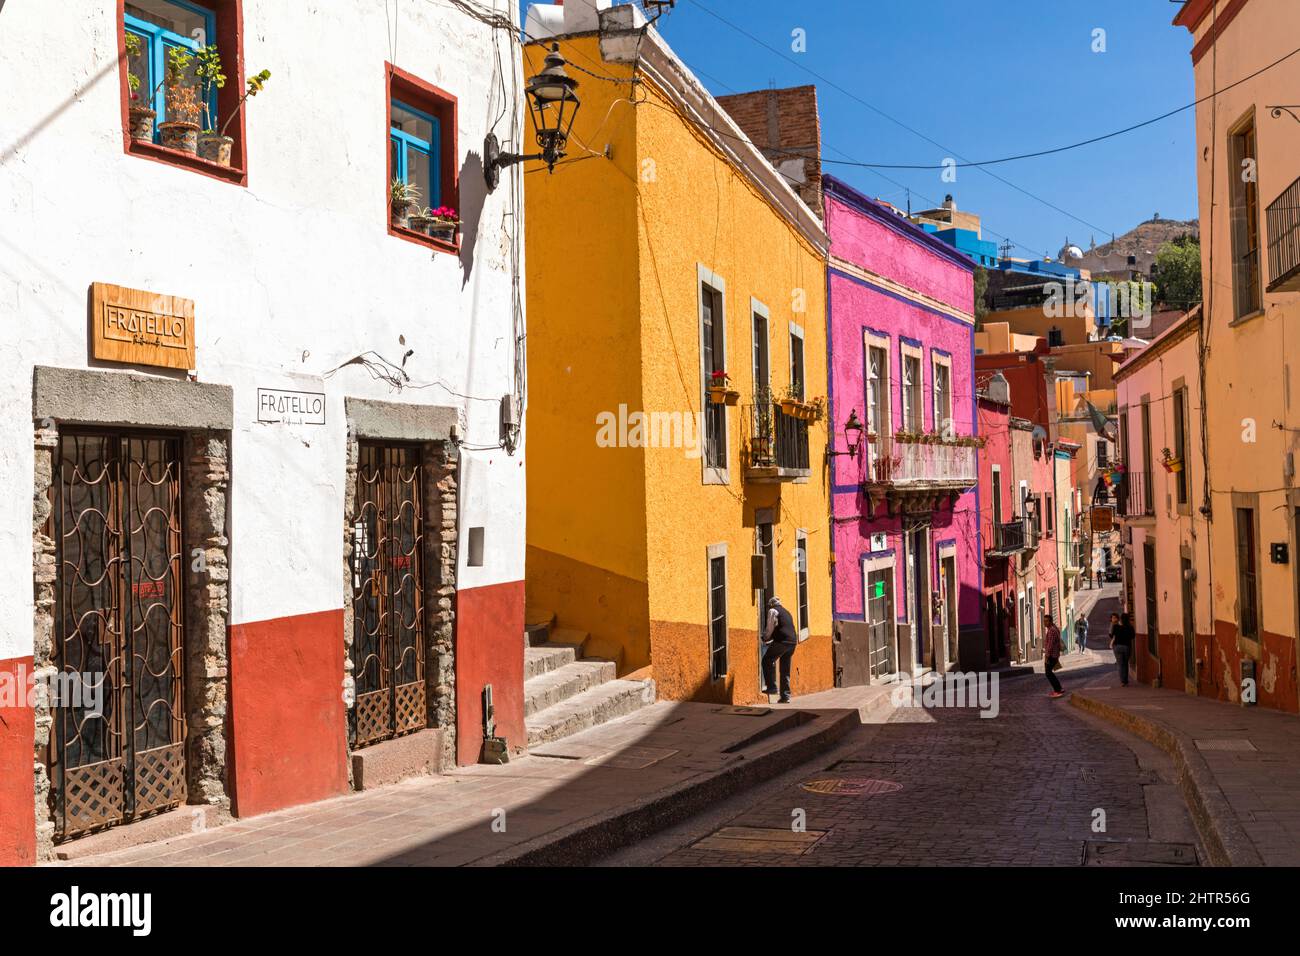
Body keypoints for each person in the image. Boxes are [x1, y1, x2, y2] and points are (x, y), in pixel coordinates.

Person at [761, 595, 798, 703]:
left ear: (771, 605)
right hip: (792, 642)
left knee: (767, 660)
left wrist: (765, 637)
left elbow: (770, 627)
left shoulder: (773, 611)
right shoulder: (786, 612)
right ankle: (785, 696)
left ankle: (772, 687)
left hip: (782, 641)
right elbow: (783, 627)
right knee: (785, 669)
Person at [1109, 611, 1135, 686]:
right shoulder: (1130, 627)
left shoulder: (1116, 627)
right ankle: (1125, 680)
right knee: (1125, 663)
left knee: (1120, 664)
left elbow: (1111, 635)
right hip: (1127, 647)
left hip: (1117, 647)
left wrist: (1113, 624)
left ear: (1121, 619)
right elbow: (1133, 636)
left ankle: (1123, 681)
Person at [1043, 613, 1065, 698]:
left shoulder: (1051, 630)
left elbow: (1050, 645)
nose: (1045, 623)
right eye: (1044, 621)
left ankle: (1057, 690)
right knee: (1050, 673)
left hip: (1052, 655)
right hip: (1054, 655)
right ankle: (1059, 688)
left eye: (1047, 621)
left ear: (1051, 621)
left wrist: (1047, 656)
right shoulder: (1053, 628)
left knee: (1048, 673)